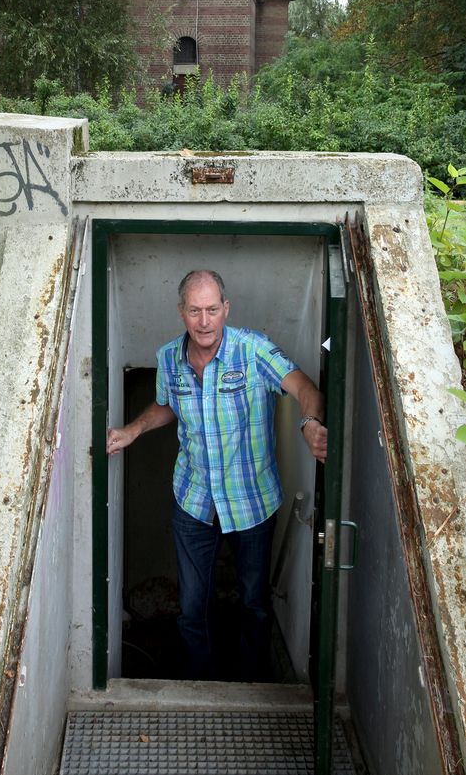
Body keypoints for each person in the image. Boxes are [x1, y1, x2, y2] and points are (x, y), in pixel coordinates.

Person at [106, 269, 327, 682]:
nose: (204, 321)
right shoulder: (168, 358)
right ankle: (200, 685)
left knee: (254, 604)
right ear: (181, 312)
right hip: (193, 500)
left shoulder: (253, 350)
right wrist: (132, 429)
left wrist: (310, 422)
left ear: (226, 309)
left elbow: (305, 389)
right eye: (194, 311)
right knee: (192, 608)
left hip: (252, 502)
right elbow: (166, 405)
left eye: (211, 310)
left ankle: (252, 686)